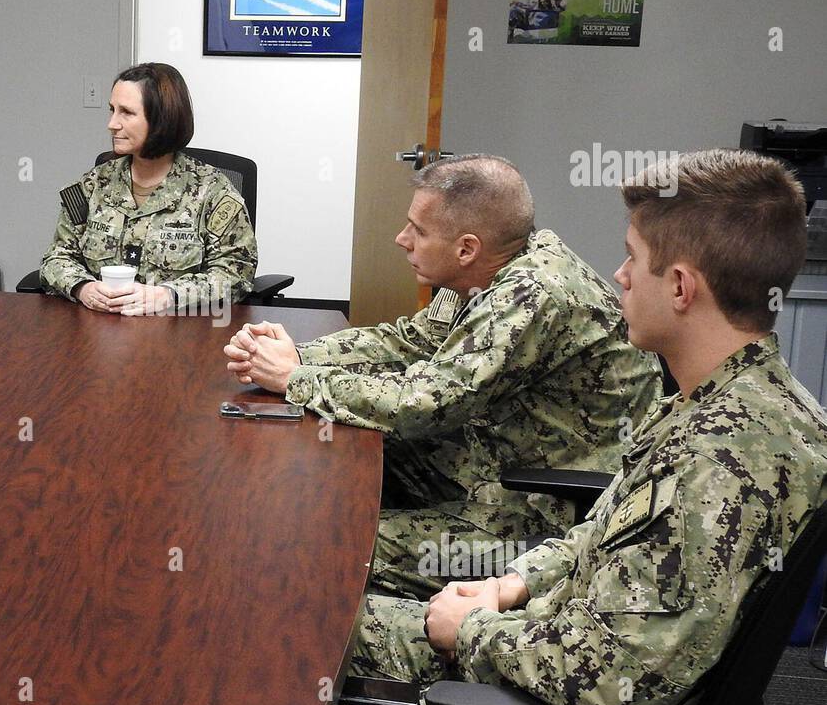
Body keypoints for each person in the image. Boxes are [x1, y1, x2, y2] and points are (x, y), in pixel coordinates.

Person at [320, 148, 827, 705]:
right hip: (544, 634)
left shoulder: (722, 463)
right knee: (308, 619)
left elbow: (614, 684)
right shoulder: (725, 400)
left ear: (683, 287)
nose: (619, 275)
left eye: (635, 259)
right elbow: (602, 533)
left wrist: (476, 631)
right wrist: (512, 583)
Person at [224, 154, 660, 598]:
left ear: (466, 248)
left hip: (537, 510)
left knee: (317, 539)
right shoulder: (487, 269)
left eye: (419, 230)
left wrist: (297, 378)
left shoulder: (532, 294)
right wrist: (299, 354)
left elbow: (424, 405)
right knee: (312, 471)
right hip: (483, 459)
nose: (401, 239)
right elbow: (411, 342)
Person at [39, 63, 257, 315]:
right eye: (112, 110)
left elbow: (235, 274)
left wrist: (169, 296)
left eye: (126, 113)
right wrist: (83, 288)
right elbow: (56, 258)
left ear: (161, 119)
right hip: (99, 333)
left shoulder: (213, 192)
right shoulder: (92, 185)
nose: (112, 123)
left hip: (180, 332)